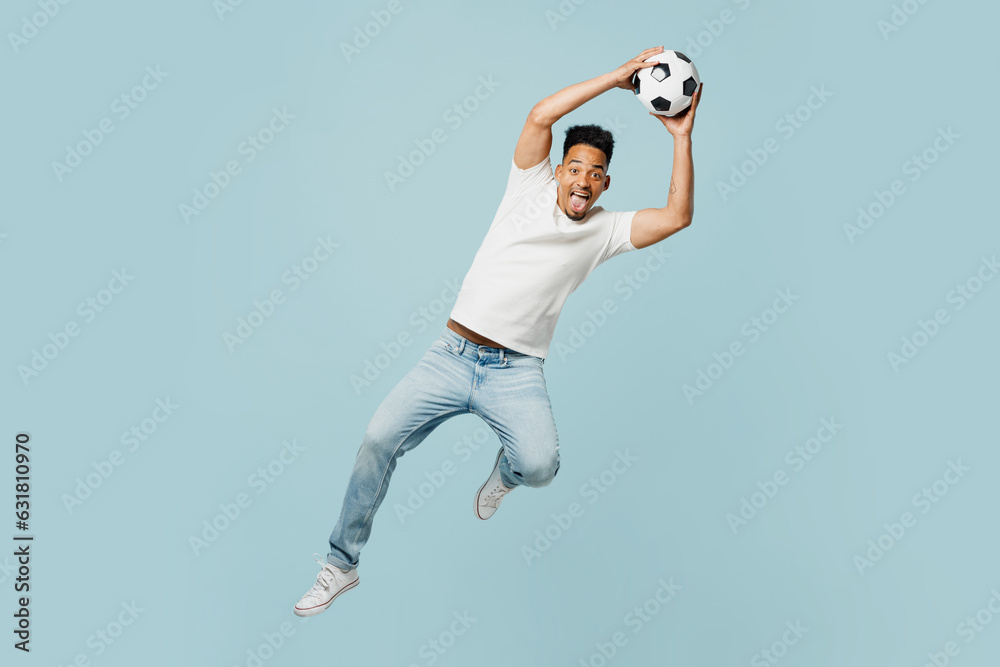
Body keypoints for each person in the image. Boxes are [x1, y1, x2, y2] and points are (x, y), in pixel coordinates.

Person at [293, 46, 702, 617]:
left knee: (538, 466)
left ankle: (503, 475)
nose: (583, 181)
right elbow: (540, 116)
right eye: (576, 168)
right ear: (559, 172)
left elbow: (678, 215)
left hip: (516, 372)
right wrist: (616, 78)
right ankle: (341, 565)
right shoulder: (527, 188)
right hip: (451, 354)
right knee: (377, 439)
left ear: (606, 186)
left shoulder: (606, 231)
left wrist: (680, 137)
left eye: (596, 175)